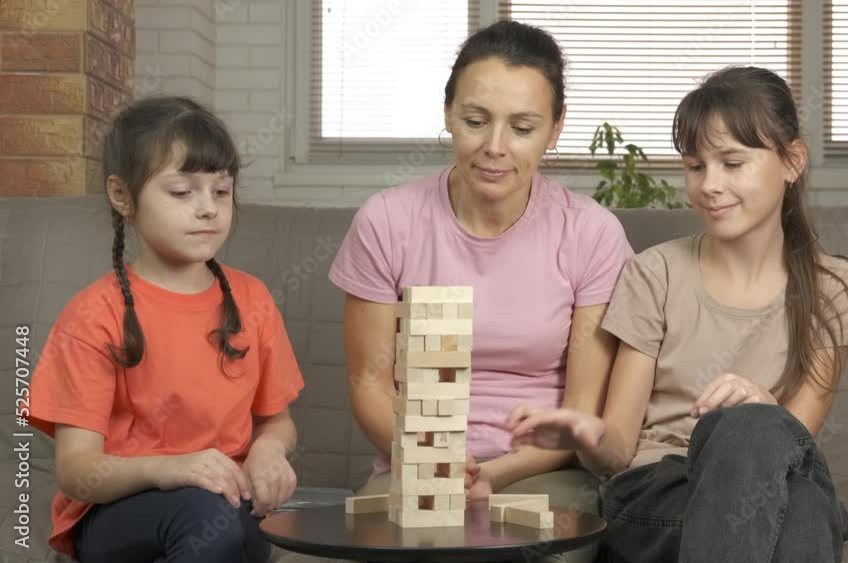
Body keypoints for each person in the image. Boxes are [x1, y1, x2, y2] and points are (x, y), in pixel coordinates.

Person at [506, 66, 848, 563]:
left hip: (779, 480)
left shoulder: (835, 286)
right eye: (695, 166)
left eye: (732, 162)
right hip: (659, 488)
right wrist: (586, 435)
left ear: (792, 161)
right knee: (803, 510)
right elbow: (617, 451)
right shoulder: (654, 274)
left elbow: (798, 435)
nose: (709, 185)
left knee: (756, 437)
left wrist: (762, 408)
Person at [329, 20, 633, 563]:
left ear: (555, 130)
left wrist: (489, 473)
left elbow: (582, 410)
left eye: (522, 127)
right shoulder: (386, 221)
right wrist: (431, 467)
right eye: (475, 121)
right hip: (413, 467)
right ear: (448, 113)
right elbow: (371, 383)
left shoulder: (590, 233)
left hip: (539, 473)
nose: (494, 148)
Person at [27, 96, 305, 562]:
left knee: (250, 529)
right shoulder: (94, 315)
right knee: (204, 520)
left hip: (223, 502)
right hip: (118, 509)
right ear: (122, 197)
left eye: (221, 191)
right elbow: (77, 471)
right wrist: (170, 468)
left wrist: (268, 452)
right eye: (182, 192)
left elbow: (277, 420)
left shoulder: (251, 299)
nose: (208, 209)